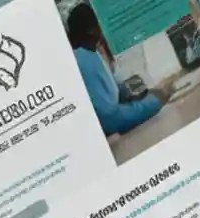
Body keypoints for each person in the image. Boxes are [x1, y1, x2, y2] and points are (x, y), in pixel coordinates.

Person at [67, 4, 172, 136]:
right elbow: (110, 119)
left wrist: (136, 90)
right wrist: (154, 103)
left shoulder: (91, 53)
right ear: (92, 30)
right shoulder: (83, 61)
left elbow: (113, 89)